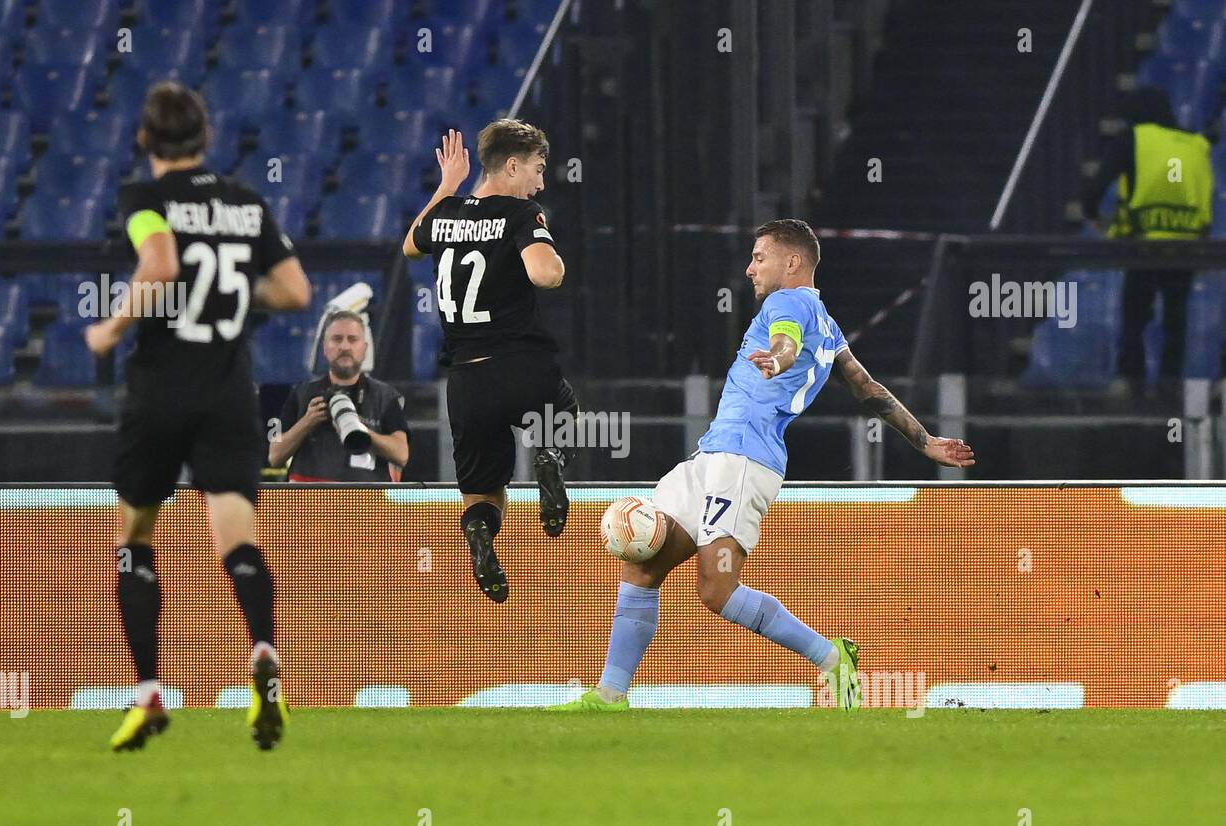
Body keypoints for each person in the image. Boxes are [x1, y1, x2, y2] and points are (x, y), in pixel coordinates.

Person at [550, 219, 975, 712]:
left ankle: (830, 656)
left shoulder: (788, 303)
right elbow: (866, 387)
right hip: (715, 454)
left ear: (791, 262)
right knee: (643, 563)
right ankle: (609, 694)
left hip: (744, 459)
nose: (750, 268)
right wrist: (923, 442)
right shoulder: (830, 325)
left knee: (718, 589)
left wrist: (777, 359)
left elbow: (785, 341)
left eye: (759, 257)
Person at [84, 82, 311, 751]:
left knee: (135, 541)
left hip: (159, 388)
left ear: (144, 140)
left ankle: (149, 693)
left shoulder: (144, 198)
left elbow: (159, 263)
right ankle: (264, 653)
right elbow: (296, 290)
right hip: (228, 390)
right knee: (237, 541)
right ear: (207, 137)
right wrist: (239, 290)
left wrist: (111, 328)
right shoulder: (245, 202)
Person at [402, 122, 578, 603]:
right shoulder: (523, 212)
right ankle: (549, 456)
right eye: (537, 170)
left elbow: (410, 245)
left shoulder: (448, 215)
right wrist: (556, 263)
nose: (540, 183)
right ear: (515, 165)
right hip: (522, 364)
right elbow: (544, 274)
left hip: (465, 380)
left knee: (482, 494)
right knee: (561, 409)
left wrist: (445, 186)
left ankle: (481, 539)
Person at [1082, 87, 1213, 390]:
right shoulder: (1196, 144)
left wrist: (1093, 214)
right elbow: (1204, 199)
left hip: (1145, 244)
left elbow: (1096, 186)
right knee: (1175, 319)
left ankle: (1133, 385)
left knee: (1135, 317)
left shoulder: (1134, 138)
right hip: (1186, 246)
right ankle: (1170, 389)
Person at [269, 310, 410, 482]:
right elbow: (274, 456)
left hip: (366, 503)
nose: (344, 346)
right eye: (337, 339)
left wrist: (357, 430)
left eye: (352, 339)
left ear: (364, 348)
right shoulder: (301, 394)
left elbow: (402, 454)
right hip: (309, 502)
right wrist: (308, 421)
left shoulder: (385, 396)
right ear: (325, 347)